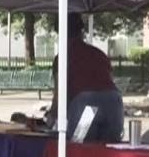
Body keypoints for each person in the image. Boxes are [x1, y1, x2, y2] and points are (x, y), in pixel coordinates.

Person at [45, 13, 125, 143]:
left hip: (86, 105)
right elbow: (109, 80)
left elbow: (60, 93)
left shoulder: (63, 57)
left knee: (79, 147)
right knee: (109, 148)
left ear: (60, 33)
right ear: (81, 31)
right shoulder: (99, 54)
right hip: (113, 102)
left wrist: (52, 116)